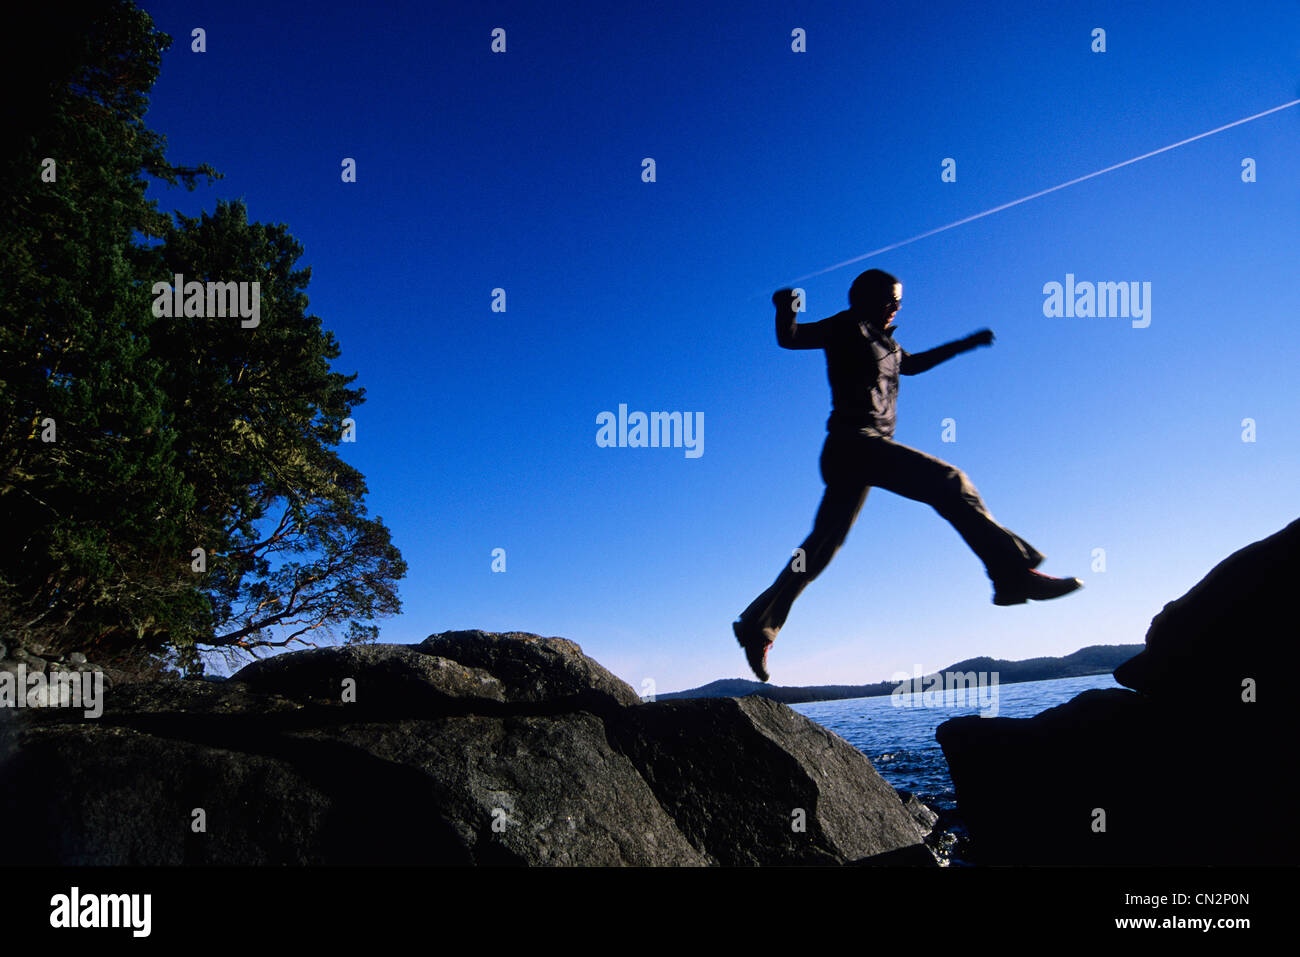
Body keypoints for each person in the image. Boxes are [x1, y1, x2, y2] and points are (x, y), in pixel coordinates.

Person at [733, 269, 1082, 681]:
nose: (897, 307)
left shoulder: (891, 346)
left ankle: (758, 627)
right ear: (864, 299)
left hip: (861, 453)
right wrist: (787, 305)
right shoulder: (848, 326)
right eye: (890, 300)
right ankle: (1013, 574)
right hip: (854, 442)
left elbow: (914, 365)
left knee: (820, 548)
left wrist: (964, 344)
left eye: (899, 301)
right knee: (950, 482)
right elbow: (790, 338)